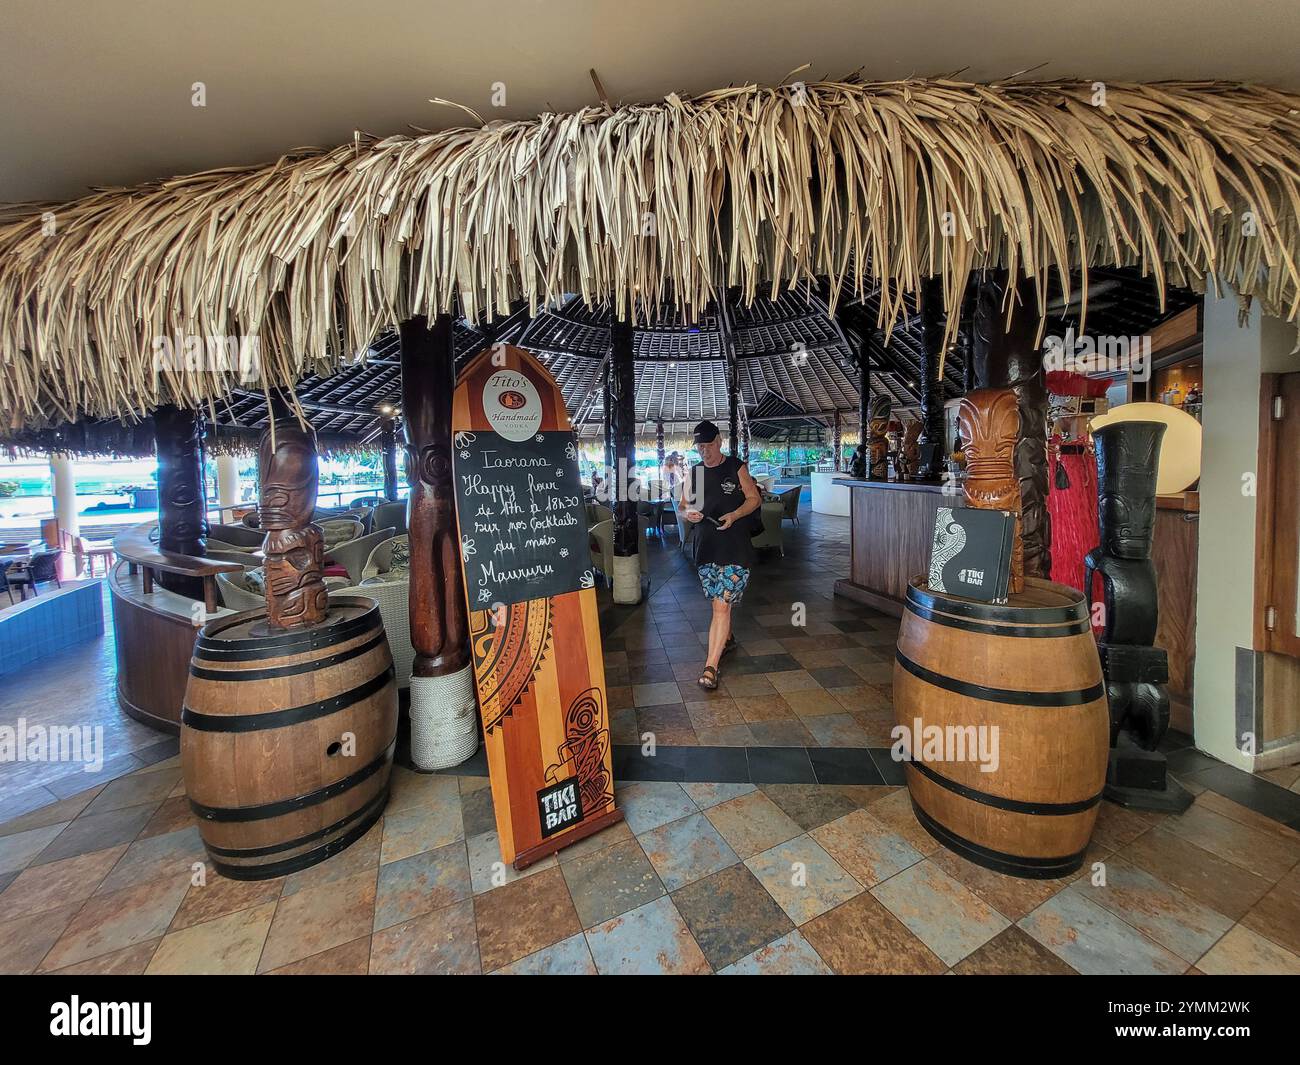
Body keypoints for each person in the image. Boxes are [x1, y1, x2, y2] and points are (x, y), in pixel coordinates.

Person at [679, 420, 762, 690]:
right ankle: (726, 636)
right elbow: (683, 505)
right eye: (700, 447)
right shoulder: (695, 473)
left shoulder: (735, 467)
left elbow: (754, 499)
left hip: (735, 546)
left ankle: (711, 666)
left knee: (721, 605)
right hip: (706, 547)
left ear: (719, 442)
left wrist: (735, 514)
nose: (705, 452)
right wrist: (686, 513)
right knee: (718, 602)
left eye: (709, 446)